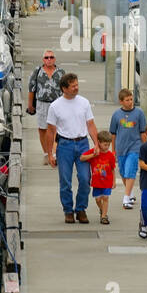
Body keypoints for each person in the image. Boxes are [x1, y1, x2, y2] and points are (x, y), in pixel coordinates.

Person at [45, 73, 100, 224]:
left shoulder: (84, 103)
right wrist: (50, 153)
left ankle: (81, 209)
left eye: (77, 84)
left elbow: (91, 124)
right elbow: (50, 131)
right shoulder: (55, 106)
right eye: (73, 86)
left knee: (85, 178)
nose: (77, 87)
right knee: (65, 180)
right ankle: (68, 210)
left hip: (83, 144)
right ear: (64, 88)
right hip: (64, 145)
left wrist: (96, 143)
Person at [109, 87, 147, 209]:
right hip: (121, 148)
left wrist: (145, 148)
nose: (130, 102)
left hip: (135, 147)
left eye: (131, 99)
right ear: (121, 101)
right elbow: (113, 134)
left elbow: (143, 133)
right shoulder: (116, 115)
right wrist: (113, 150)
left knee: (131, 170)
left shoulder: (139, 113)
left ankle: (125, 198)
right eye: (127, 100)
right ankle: (129, 193)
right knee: (123, 172)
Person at [27, 50, 65, 151]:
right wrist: (30, 105)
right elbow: (31, 88)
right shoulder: (37, 71)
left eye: (51, 57)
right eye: (47, 57)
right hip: (42, 104)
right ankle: (46, 152)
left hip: (57, 104)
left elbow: (65, 89)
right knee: (43, 129)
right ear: (43, 59)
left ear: (55, 59)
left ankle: (54, 151)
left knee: (55, 129)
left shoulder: (61, 72)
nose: (49, 59)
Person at [81, 131, 117, 224]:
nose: (107, 147)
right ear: (99, 143)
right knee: (97, 199)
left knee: (105, 198)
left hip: (107, 182)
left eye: (108, 145)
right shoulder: (94, 152)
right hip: (97, 182)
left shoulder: (110, 155)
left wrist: (114, 181)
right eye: (105, 144)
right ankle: (102, 210)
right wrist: (93, 155)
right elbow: (81, 158)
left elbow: (113, 169)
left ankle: (104, 216)